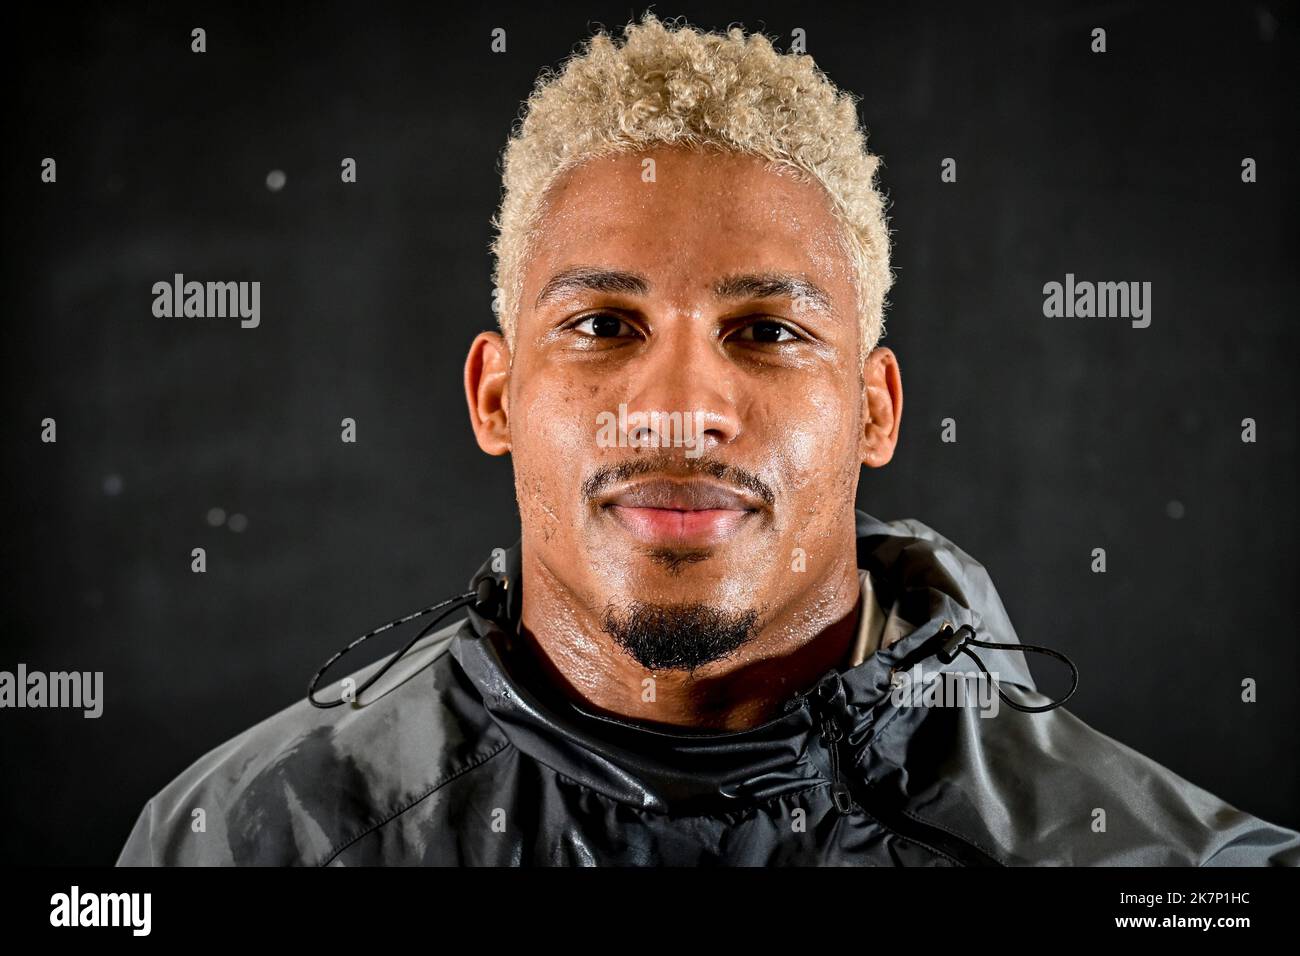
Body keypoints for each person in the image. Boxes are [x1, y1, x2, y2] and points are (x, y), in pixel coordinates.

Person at [116, 12, 1299, 866]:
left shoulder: (1174, 875)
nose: (678, 407)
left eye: (767, 329)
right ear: (494, 393)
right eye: (603, 323)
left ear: (875, 408)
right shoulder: (232, 845)